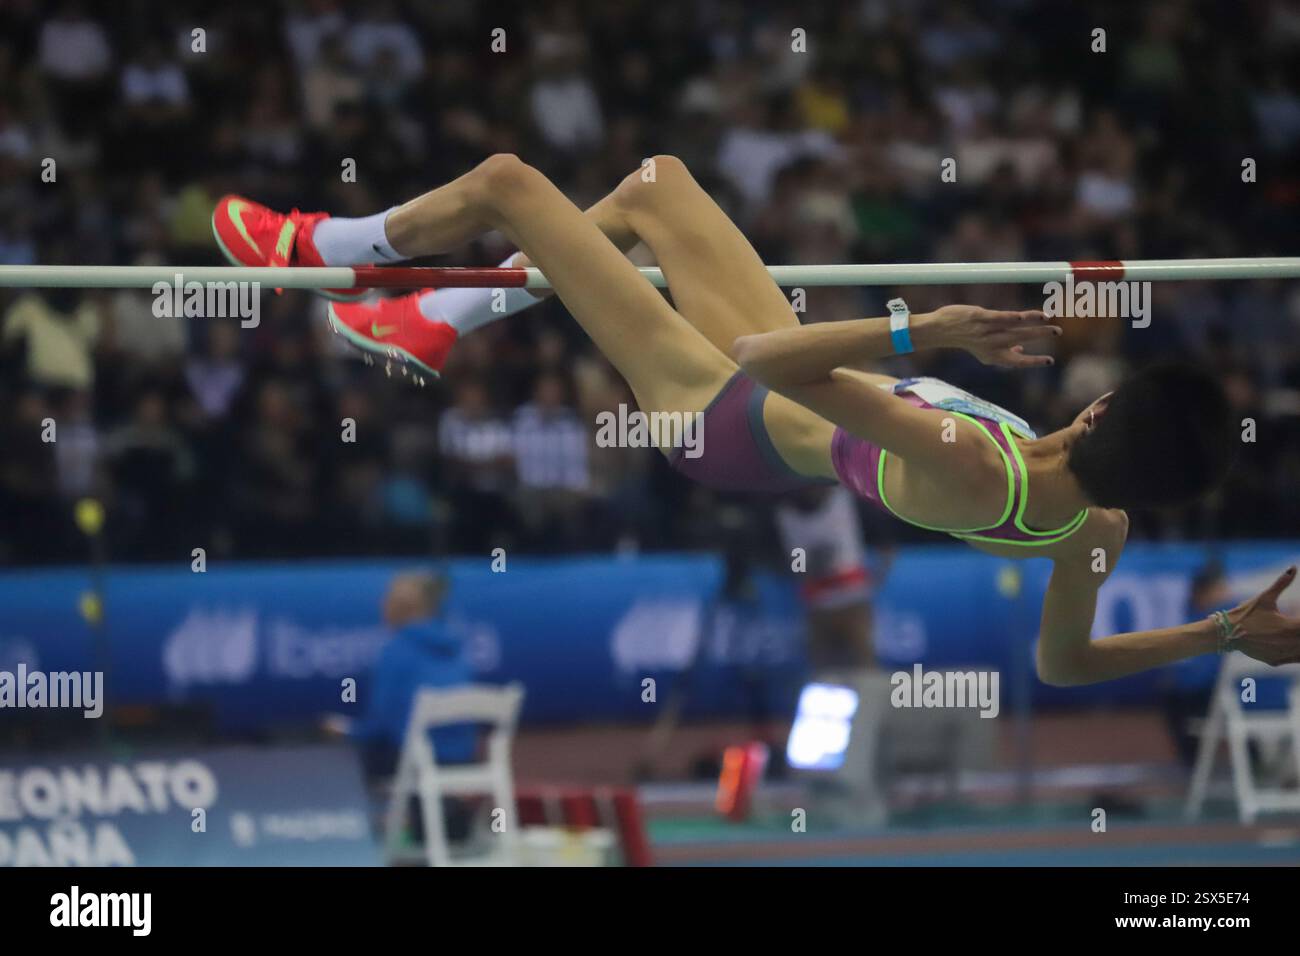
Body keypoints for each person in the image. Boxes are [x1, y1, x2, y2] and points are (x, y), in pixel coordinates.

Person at [212, 153, 1300, 685]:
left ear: (1103, 403)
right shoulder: (1095, 529)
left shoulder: (974, 458)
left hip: (717, 410)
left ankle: (321, 251)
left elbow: (762, 355)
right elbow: (1064, 662)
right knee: (654, 185)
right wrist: (1219, 634)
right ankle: (434, 319)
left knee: (506, 179)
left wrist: (927, 327)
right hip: (774, 397)